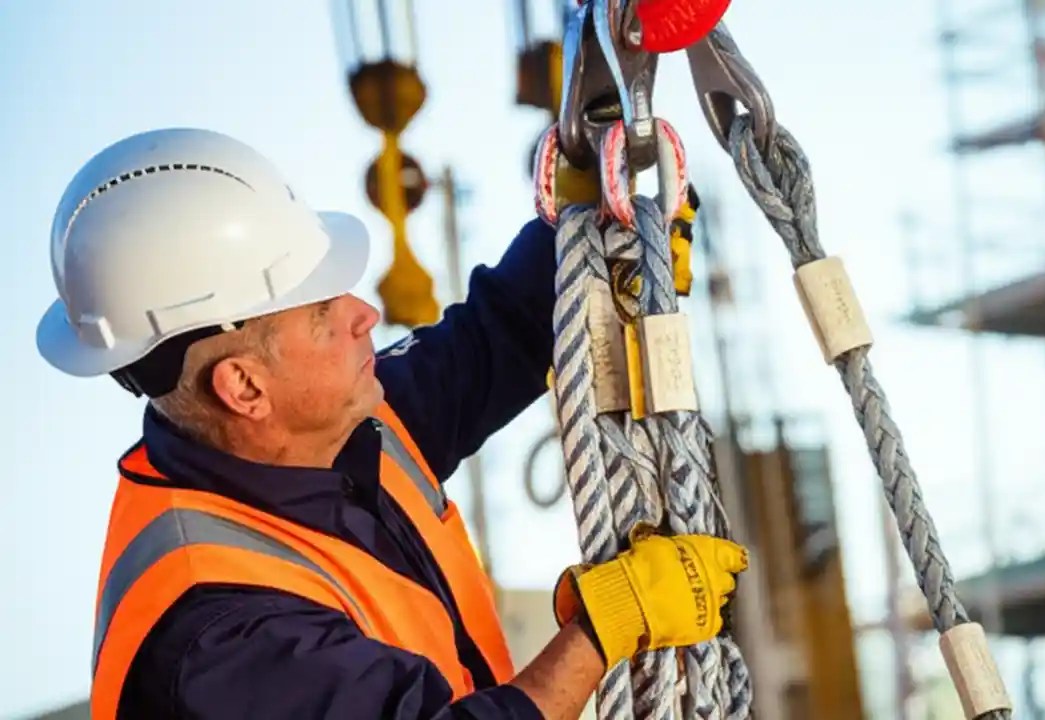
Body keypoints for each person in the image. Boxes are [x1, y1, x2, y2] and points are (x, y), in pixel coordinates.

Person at [36, 127, 748, 719]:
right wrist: (606, 626)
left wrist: (585, 244)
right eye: (322, 315)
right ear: (245, 386)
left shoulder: (339, 422)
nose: (364, 316)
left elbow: (493, 340)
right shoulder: (218, 638)